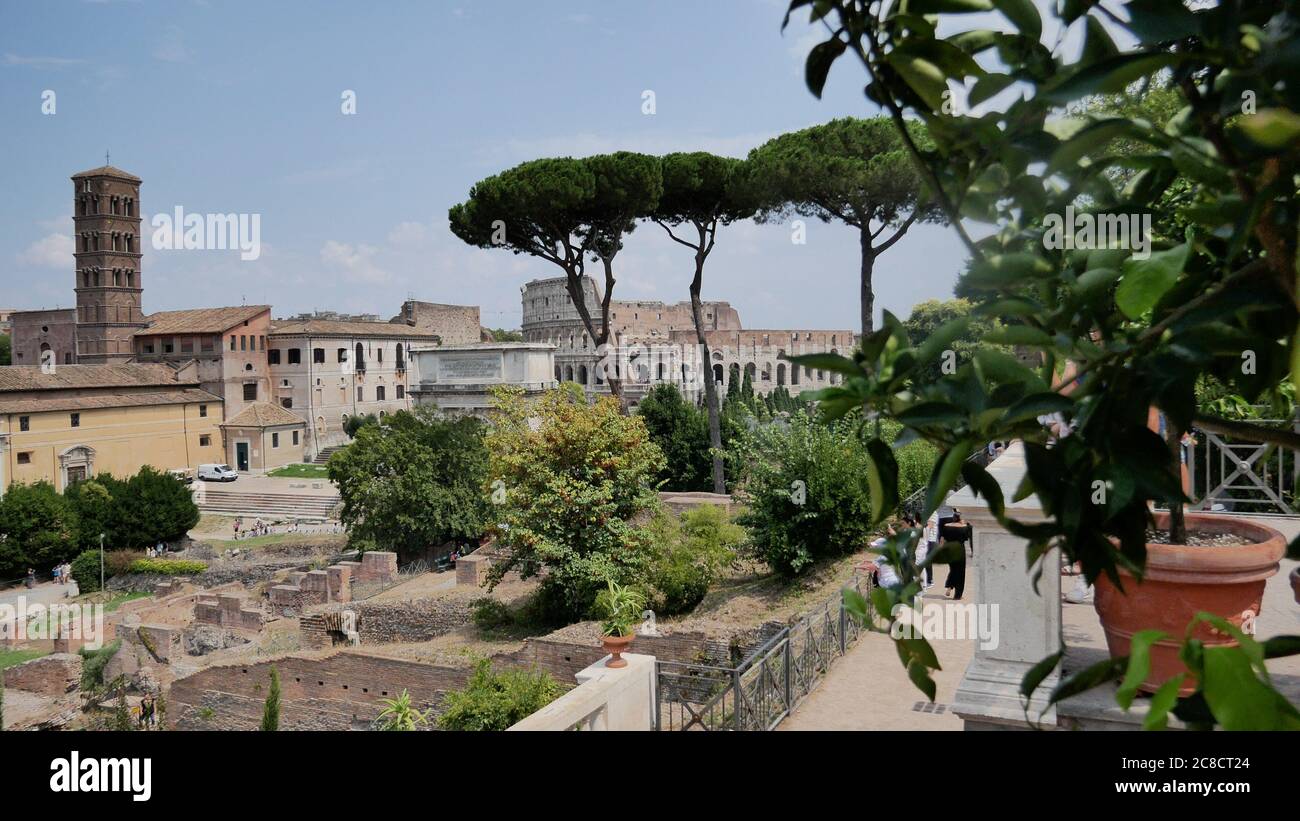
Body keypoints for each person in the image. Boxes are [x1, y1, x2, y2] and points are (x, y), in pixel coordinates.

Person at [941, 510, 973, 600]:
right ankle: (957, 595)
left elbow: (942, 540)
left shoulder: (946, 526)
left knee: (953, 569)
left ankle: (950, 586)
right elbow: (967, 538)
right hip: (959, 550)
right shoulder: (965, 527)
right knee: (960, 572)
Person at [921, 511, 938, 589]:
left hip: (930, 539)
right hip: (925, 539)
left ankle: (930, 580)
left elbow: (930, 525)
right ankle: (924, 580)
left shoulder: (933, 512)